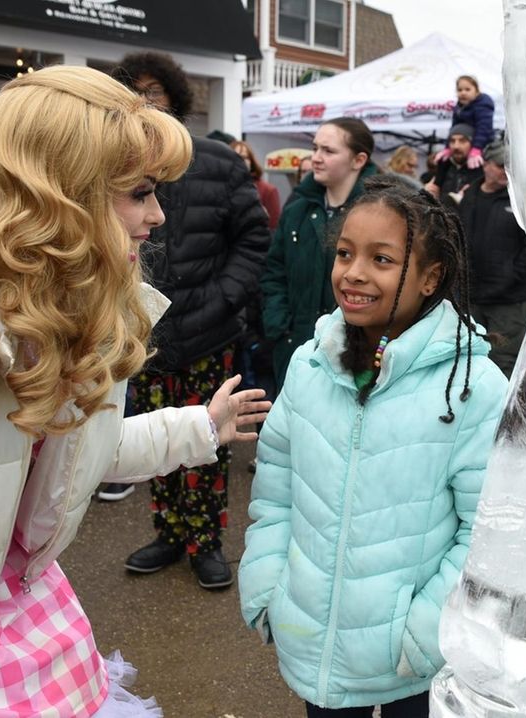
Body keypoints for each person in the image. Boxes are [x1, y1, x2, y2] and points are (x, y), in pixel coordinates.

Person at [0, 66, 270, 716]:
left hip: (22, 607)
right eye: (140, 193)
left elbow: (80, 451)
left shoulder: (82, 317)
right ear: (54, 196)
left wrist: (198, 426)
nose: (158, 216)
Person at [240, 176, 508, 716]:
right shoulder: (310, 364)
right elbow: (275, 488)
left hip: (413, 664)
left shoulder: (470, 387)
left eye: (381, 259)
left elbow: (486, 534)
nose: (354, 273)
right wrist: (268, 588)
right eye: (345, 253)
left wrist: (423, 635)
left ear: (431, 277)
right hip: (312, 643)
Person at [104, 51, 272, 591]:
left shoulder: (218, 161)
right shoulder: (114, 164)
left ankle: (206, 542)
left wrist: (223, 298)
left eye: (153, 91)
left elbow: (254, 239)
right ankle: (169, 534)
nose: (144, 101)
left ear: (175, 97)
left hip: (209, 334)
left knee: (207, 436)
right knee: (155, 437)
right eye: (133, 91)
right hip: (144, 335)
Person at [262, 117, 378, 387]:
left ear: (358, 160)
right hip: (296, 347)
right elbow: (274, 272)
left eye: (328, 150)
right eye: (315, 148)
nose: (316, 157)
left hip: (356, 352)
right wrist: (279, 326)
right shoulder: (297, 209)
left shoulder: (379, 213)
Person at [457, 140, 526, 376]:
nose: (506, 171)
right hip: (472, 297)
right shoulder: (470, 195)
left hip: (509, 301)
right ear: (486, 165)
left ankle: (502, 402)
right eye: (501, 165)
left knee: (503, 361)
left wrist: (513, 277)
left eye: (510, 167)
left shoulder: (521, 199)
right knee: (470, 358)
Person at [433, 75, 496, 169]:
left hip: (484, 145)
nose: (463, 93)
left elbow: (483, 128)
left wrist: (476, 148)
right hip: (467, 143)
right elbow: (453, 129)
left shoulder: (483, 105)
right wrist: (447, 147)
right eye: (460, 90)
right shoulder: (458, 107)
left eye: (467, 89)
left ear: (477, 91)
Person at [424, 124, 483, 204]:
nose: (456, 146)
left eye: (462, 141)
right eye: (452, 141)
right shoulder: (443, 168)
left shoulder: (481, 171)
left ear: (472, 144)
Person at [231, 138, 281, 230]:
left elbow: (274, 229)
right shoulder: (222, 189)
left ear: (251, 161)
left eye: (244, 157)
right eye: (236, 157)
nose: (240, 161)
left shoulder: (268, 190)